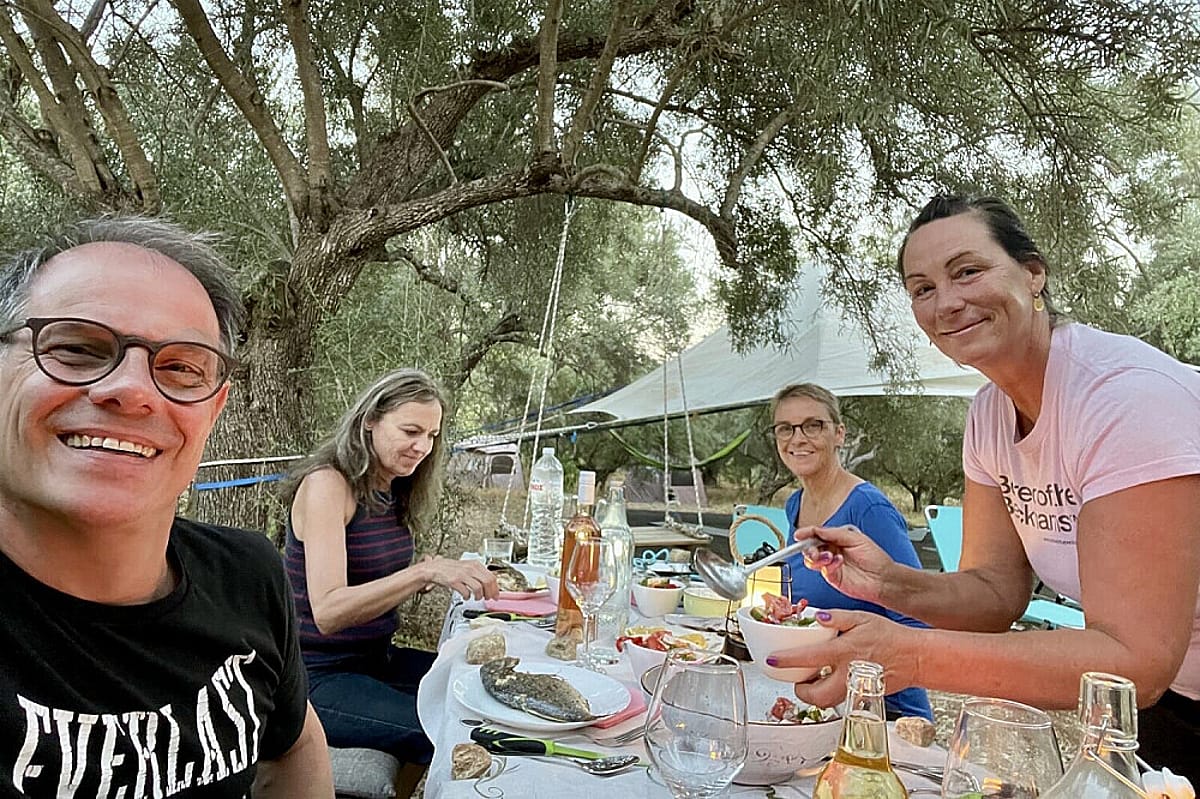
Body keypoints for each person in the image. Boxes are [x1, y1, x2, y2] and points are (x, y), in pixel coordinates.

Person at [771, 194, 1200, 778]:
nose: (947, 302)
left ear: (1033, 273)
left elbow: (1133, 662)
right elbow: (996, 594)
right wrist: (889, 583)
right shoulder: (990, 414)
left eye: (967, 271)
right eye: (922, 289)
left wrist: (907, 655)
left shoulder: (1125, 398)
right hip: (1164, 704)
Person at [0, 216, 333, 796]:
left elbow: (296, 742)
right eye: (76, 347)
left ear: (214, 408)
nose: (132, 390)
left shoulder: (246, 576)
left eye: (180, 367)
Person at [281, 368, 498, 767]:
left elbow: (371, 574)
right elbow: (328, 611)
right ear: (370, 421)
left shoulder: (391, 487)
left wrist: (418, 572)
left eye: (431, 436)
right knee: (451, 732)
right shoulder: (328, 485)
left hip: (376, 660)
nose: (422, 447)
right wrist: (420, 574)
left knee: (486, 692)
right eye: (411, 431)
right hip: (315, 678)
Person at [769, 383, 933, 721]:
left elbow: (918, 617)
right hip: (826, 699)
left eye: (813, 425)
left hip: (884, 710)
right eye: (785, 428)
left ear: (839, 434)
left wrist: (868, 689)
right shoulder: (795, 505)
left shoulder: (868, 508)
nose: (797, 438)